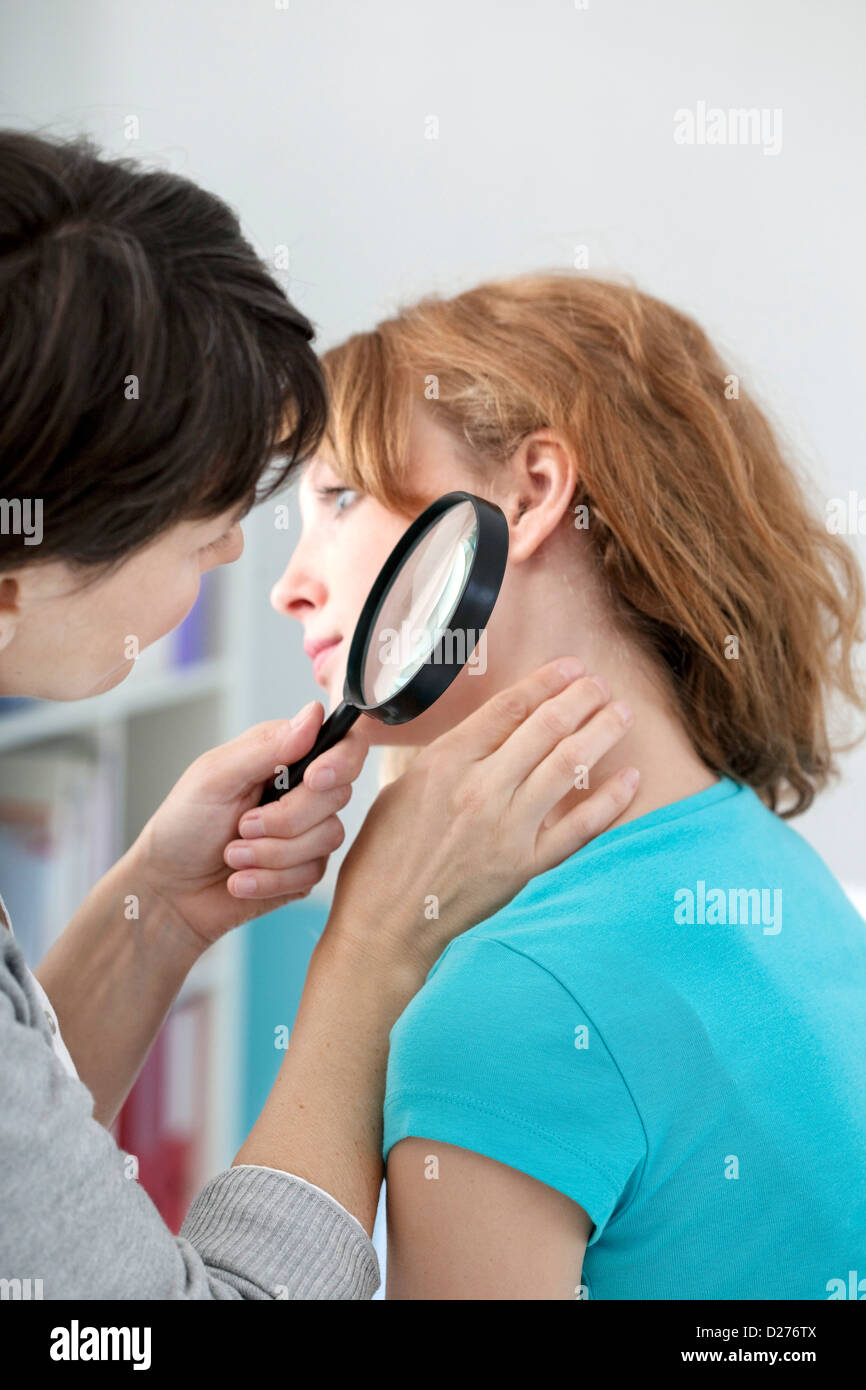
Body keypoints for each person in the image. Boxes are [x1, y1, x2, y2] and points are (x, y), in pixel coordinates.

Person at [0, 133, 640, 1299]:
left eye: (336, 497)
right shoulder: (492, 1005)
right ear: (14, 580)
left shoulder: (553, 981)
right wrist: (370, 948)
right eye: (211, 520)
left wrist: (155, 911)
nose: (260, 564)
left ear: (532, 496)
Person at [270, 270, 866, 1299]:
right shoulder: (765, 862)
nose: (291, 584)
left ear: (531, 492)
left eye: (339, 497)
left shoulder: (507, 1002)